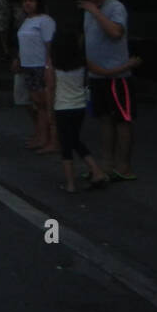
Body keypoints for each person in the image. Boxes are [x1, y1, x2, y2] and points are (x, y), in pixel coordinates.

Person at [76, 0, 135, 181]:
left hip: (117, 73)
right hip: (96, 73)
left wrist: (95, 12)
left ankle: (124, 166)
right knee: (104, 120)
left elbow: (116, 33)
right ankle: (106, 164)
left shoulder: (115, 7)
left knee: (122, 120)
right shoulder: (87, 11)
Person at [50, 31, 110, 193]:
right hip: (79, 105)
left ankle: (71, 183)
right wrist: (126, 66)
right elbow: (102, 72)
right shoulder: (82, 62)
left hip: (62, 106)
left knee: (67, 145)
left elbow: (51, 87)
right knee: (74, 140)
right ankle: (95, 171)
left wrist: (50, 111)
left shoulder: (54, 63)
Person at [14, 0, 56, 153]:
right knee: (38, 104)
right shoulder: (25, 21)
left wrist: (48, 65)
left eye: (31, 0)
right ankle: (40, 137)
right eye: (25, 1)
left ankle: (51, 140)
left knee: (46, 104)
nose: (28, 4)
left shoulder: (45, 20)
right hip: (28, 66)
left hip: (41, 65)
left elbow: (49, 44)